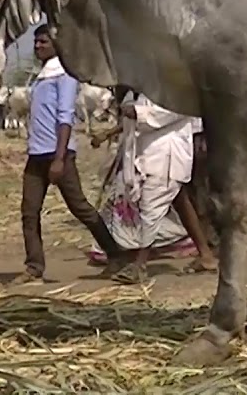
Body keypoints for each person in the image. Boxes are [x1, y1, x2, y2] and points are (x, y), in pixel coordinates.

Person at [14, 23, 124, 284]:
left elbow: (65, 118)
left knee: (80, 208)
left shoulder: (64, 75)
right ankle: (34, 267)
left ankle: (116, 254)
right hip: (37, 153)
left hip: (57, 153)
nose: (38, 46)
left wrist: (60, 158)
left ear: (57, 45)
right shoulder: (40, 76)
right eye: (37, 42)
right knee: (29, 211)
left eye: (44, 42)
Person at [90, 91, 219, 283]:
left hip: (166, 156)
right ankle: (206, 255)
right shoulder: (138, 94)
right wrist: (111, 132)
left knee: (152, 207)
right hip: (146, 155)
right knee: (180, 201)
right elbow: (130, 123)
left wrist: (138, 113)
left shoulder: (176, 89)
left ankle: (139, 265)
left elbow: (167, 113)